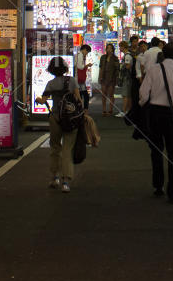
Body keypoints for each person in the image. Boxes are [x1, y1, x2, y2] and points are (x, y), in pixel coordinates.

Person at [139, 41, 173, 203]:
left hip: (156, 113)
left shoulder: (153, 70)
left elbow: (143, 94)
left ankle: (158, 185)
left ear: (162, 54)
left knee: (156, 150)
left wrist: (143, 104)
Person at [37, 56, 86, 193]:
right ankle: (66, 181)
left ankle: (54, 177)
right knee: (67, 149)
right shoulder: (72, 81)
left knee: (55, 147)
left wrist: (38, 99)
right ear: (65, 68)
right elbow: (79, 100)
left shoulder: (50, 84)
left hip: (55, 117)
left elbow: (43, 101)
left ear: (51, 70)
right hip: (70, 118)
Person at [97, 42, 121, 117]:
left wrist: (116, 78)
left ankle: (111, 109)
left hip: (112, 78)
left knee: (111, 94)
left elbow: (117, 69)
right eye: (108, 48)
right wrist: (99, 77)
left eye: (110, 48)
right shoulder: (103, 57)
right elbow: (100, 68)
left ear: (113, 49)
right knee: (103, 94)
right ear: (106, 49)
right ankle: (104, 110)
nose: (109, 49)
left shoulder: (115, 58)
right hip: (103, 77)